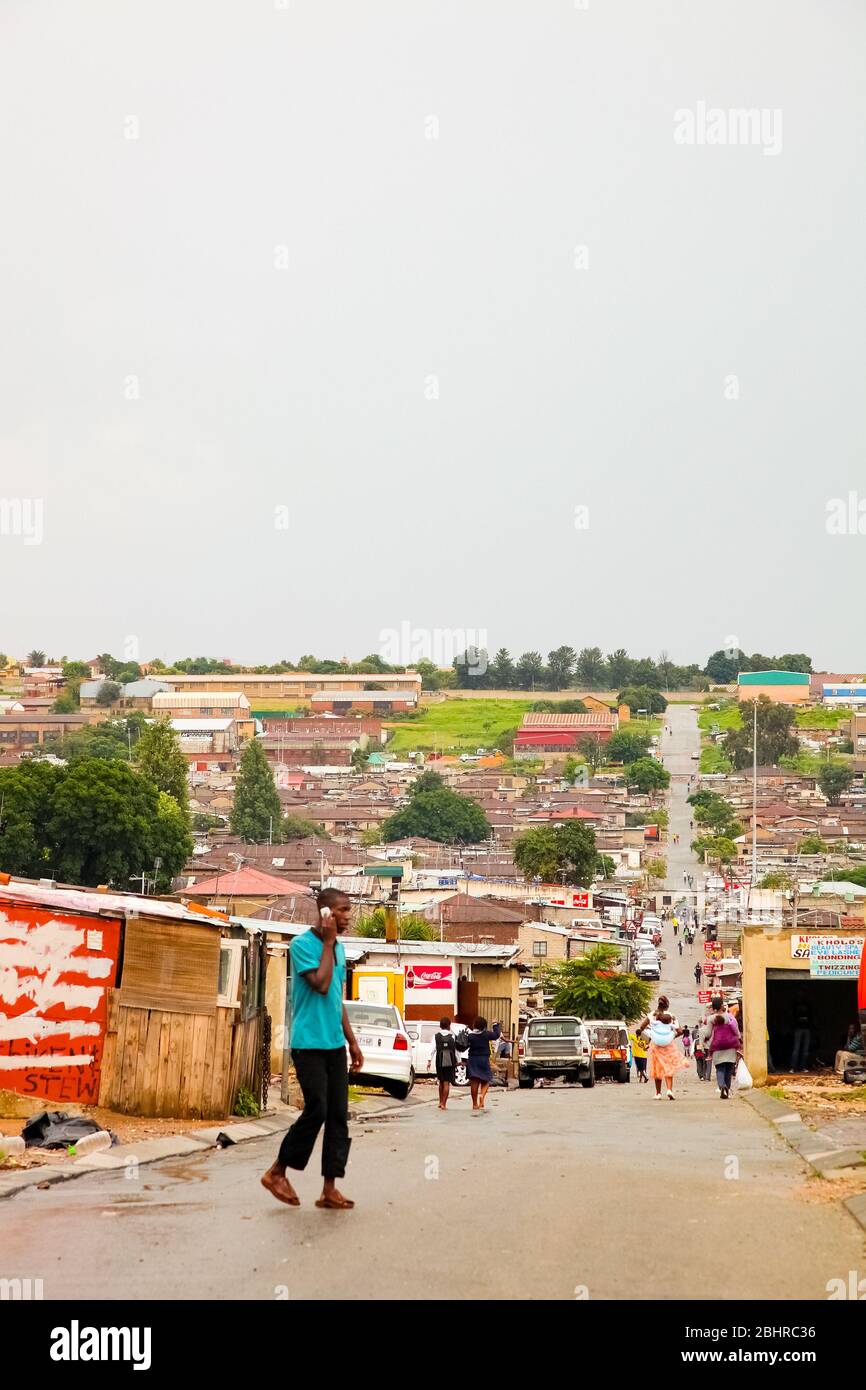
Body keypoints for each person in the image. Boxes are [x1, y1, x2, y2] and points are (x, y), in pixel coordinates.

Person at [261, 889, 363, 1210]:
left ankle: (329, 1189)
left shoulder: (339, 948)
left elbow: (336, 997)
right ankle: (277, 1171)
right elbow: (320, 984)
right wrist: (328, 944)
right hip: (308, 1043)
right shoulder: (301, 945)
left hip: (334, 1044)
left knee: (338, 1116)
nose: (348, 916)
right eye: (342, 910)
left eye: (349, 910)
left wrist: (352, 1041)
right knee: (317, 1109)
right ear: (325, 913)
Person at [635, 995, 689, 1100]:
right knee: (669, 1067)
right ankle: (669, 1090)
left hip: (656, 1045)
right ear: (667, 1005)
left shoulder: (652, 1015)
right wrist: (672, 1036)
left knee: (657, 1068)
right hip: (669, 1045)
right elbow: (680, 1031)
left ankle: (658, 1093)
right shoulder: (671, 1016)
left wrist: (648, 1035)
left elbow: (641, 1027)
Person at [706, 994, 741, 1099]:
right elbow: (736, 1031)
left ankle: (722, 1086)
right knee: (729, 1070)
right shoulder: (730, 1017)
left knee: (720, 1069)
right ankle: (727, 1090)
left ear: (713, 1007)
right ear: (722, 1006)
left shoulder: (711, 1019)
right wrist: (739, 1041)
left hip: (717, 1047)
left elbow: (708, 1034)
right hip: (731, 1046)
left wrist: (705, 1041)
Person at [466, 1016, 501, 1111]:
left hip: (473, 1059)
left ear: (475, 1025)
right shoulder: (487, 1034)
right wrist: (495, 1024)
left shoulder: (470, 1036)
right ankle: (481, 1095)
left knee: (474, 1081)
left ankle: (475, 1104)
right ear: (484, 1026)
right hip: (484, 1059)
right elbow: (496, 1035)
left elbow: (464, 1045)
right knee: (486, 1079)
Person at [433, 1016, 461, 1110]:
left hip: (439, 1060)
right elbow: (457, 1051)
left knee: (441, 1081)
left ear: (440, 1025)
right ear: (449, 1025)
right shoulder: (453, 1036)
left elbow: (432, 1049)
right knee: (446, 1083)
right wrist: (459, 1061)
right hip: (450, 1061)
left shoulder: (436, 1036)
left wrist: (429, 1060)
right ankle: (444, 1104)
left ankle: (440, 1102)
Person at [790, 999, 812, 1072]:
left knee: (805, 1050)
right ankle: (793, 1067)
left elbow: (811, 1017)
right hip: (798, 1028)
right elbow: (793, 1016)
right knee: (796, 1049)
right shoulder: (796, 1005)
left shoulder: (808, 1005)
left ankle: (803, 1067)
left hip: (806, 1028)